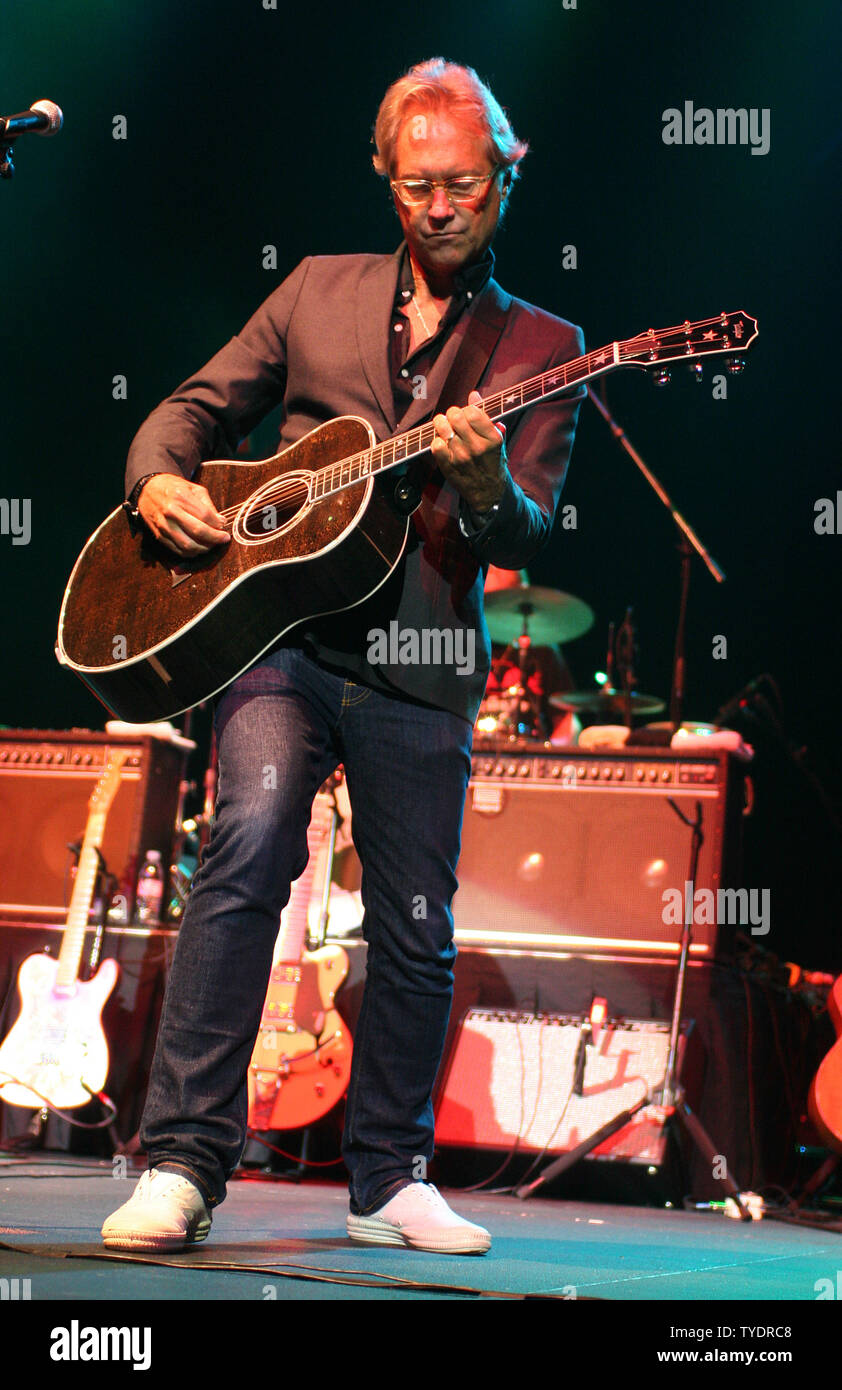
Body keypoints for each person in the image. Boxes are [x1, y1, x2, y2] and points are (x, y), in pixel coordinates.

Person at [102, 57, 585, 1256]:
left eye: (463, 185)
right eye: (416, 185)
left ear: (505, 182)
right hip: (281, 639)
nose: (438, 206)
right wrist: (158, 477)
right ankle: (180, 1161)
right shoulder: (313, 292)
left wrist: (480, 486)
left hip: (418, 658)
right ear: (386, 182)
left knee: (413, 918)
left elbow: (521, 523)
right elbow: (194, 406)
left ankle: (390, 1180)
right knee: (249, 848)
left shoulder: (543, 344)